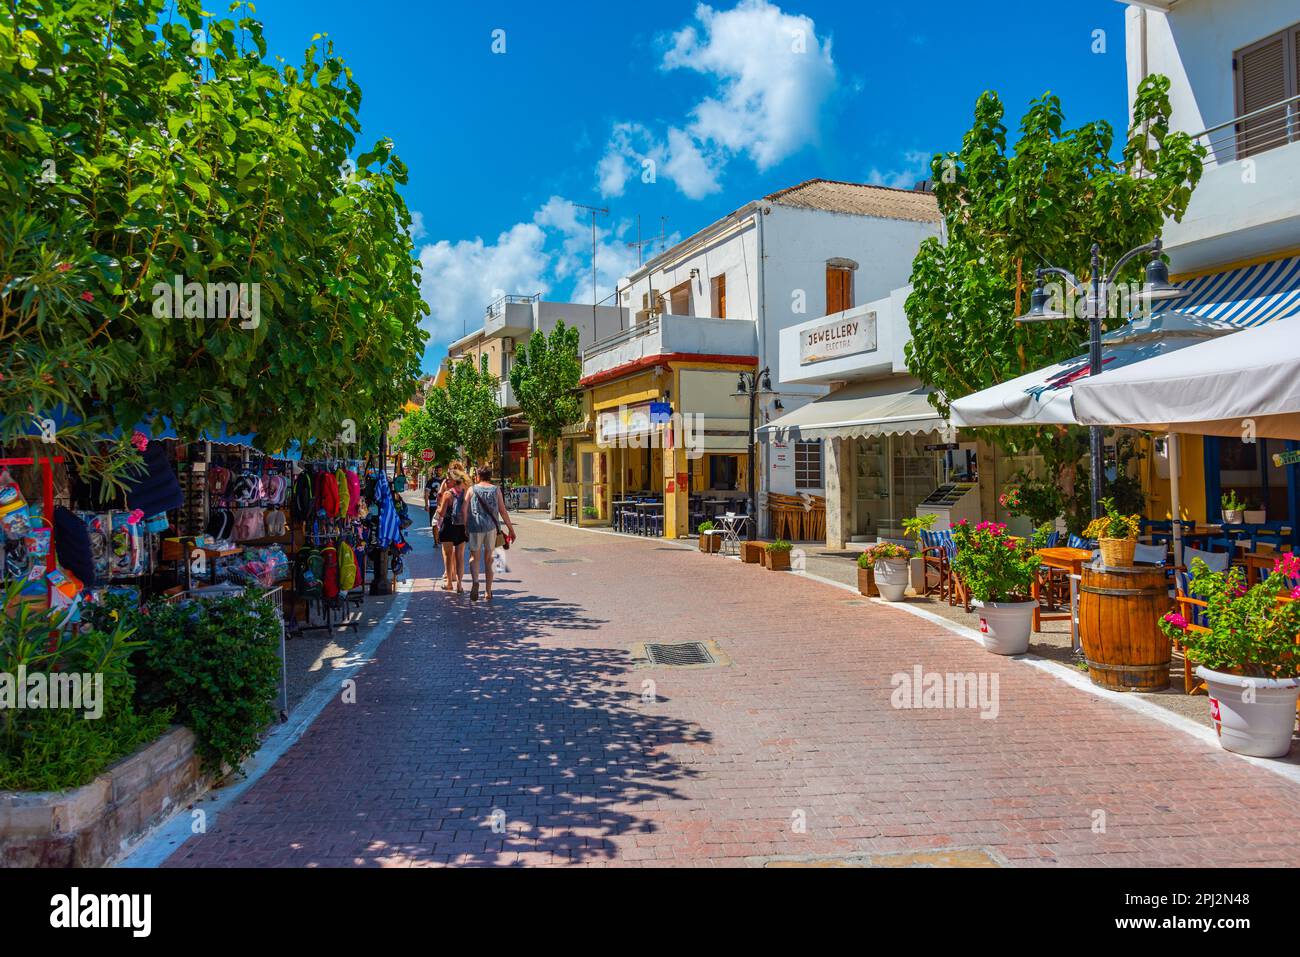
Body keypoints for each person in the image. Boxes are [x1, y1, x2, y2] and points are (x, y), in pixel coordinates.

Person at [460, 465, 515, 602]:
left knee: (474, 557)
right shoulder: (496, 490)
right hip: (491, 528)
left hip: (475, 527)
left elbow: (463, 510)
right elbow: (502, 511)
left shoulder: (472, 489)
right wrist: (511, 529)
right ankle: (488, 591)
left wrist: (466, 526)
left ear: (478, 476)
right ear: (490, 476)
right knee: (489, 558)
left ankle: (475, 581)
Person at [434, 463, 468, 592]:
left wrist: (438, 507)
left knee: (448, 556)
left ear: (454, 480)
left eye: (448, 479)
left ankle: (449, 582)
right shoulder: (465, 492)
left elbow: (442, 513)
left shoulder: (448, 494)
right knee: (460, 556)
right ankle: (459, 585)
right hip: (461, 527)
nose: (446, 481)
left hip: (448, 526)